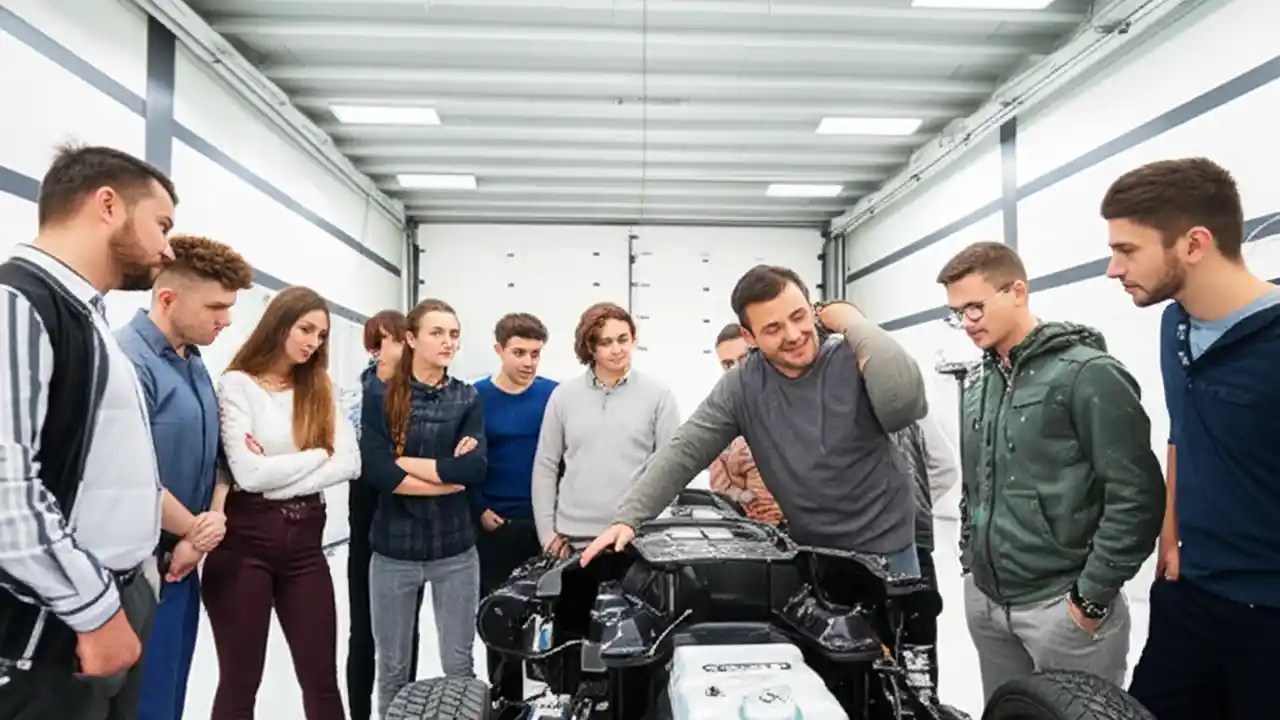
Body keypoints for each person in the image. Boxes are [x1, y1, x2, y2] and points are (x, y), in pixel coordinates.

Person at [934, 241, 1164, 701]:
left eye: (975, 307)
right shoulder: (979, 384)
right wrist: (969, 566)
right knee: (1009, 712)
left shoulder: (1087, 374)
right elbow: (975, 486)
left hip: (1063, 606)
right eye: (957, 312)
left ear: (1017, 291)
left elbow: (1136, 493)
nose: (966, 323)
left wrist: (1092, 596)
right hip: (988, 601)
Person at [0, 144, 174, 719]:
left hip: (105, 603)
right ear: (107, 205)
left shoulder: (86, 317)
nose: (166, 248)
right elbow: (7, 496)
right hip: (54, 631)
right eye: (161, 224)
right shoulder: (18, 303)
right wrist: (96, 611)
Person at [1101, 158, 1280, 719]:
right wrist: (1169, 538)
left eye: (1128, 250)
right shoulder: (1173, 323)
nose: (1112, 268)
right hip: (1188, 597)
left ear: (1194, 243)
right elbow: (1180, 432)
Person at [203, 286, 360, 719]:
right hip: (244, 545)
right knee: (240, 683)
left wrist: (276, 473)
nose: (313, 342)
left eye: (322, 334)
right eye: (306, 329)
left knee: (322, 682)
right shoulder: (238, 385)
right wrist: (317, 455)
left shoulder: (319, 385)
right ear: (279, 323)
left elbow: (350, 461)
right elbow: (246, 474)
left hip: (307, 548)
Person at [115, 234, 253, 720]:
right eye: (216, 306)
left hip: (183, 563)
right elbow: (125, 474)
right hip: (136, 571)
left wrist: (209, 525)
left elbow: (219, 456)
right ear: (167, 298)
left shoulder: (194, 362)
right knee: (141, 703)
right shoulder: (127, 362)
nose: (227, 319)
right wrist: (193, 531)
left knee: (170, 694)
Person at [360, 298, 487, 719]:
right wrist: (447, 477)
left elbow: (474, 468)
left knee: (460, 666)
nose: (448, 342)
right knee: (393, 671)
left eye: (453, 333)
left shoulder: (466, 398)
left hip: (455, 551)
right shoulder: (380, 397)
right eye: (437, 332)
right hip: (394, 552)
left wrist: (408, 465)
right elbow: (378, 472)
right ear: (411, 338)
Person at [532, 302, 681, 556]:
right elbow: (546, 465)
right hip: (574, 539)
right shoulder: (563, 396)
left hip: (638, 537)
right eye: (605, 342)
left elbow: (672, 467)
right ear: (590, 347)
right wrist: (547, 534)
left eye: (623, 339)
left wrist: (659, 529)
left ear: (634, 339)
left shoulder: (659, 394)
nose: (616, 350)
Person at [471, 312, 558, 700]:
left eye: (535, 354)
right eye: (519, 352)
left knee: (549, 622)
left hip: (545, 527)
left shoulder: (554, 395)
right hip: (495, 527)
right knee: (501, 622)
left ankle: (549, 699)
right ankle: (504, 699)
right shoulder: (475, 398)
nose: (528, 362)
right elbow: (464, 462)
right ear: (498, 350)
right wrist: (478, 509)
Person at [345, 309, 422, 720]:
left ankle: (401, 711)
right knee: (364, 633)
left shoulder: (422, 393)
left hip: (412, 525)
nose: (385, 350)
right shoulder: (358, 397)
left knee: (406, 634)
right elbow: (362, 461)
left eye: (393, 339)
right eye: (379, 342)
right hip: (368, 525)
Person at [705, 323, 783, 526]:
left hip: (805, 529)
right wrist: (743, 497)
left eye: (743, 358)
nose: (737, 369)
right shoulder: (722, 413)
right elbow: (719, 485)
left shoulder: (792, 399)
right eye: (728, 364)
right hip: (752, 530)